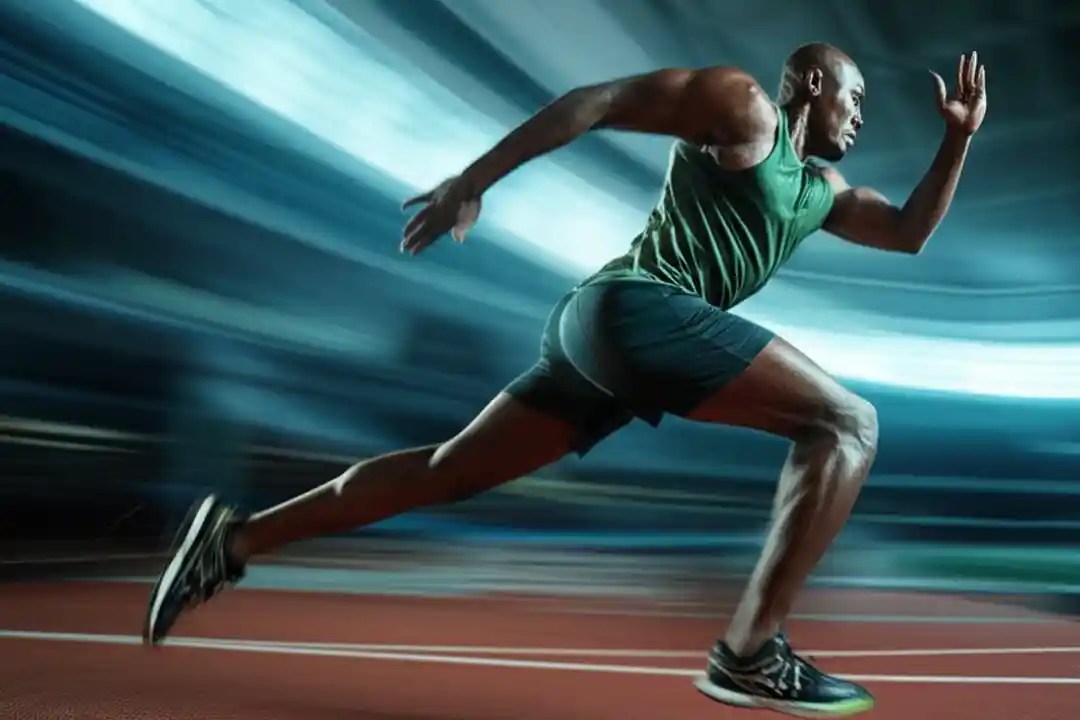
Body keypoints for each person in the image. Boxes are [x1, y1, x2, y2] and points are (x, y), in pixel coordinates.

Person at [142, 42, 987, 718]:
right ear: (809, 83)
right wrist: (473, 183)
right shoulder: (746, 109)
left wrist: (957, 139)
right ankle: (751, 653)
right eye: (855, 97)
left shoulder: (821, 190)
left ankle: (234, 540)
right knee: (847, 425)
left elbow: (910, 231)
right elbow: (601, 102)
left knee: (448, 472)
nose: (862, 117)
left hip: (606, 345)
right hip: (634, 308)